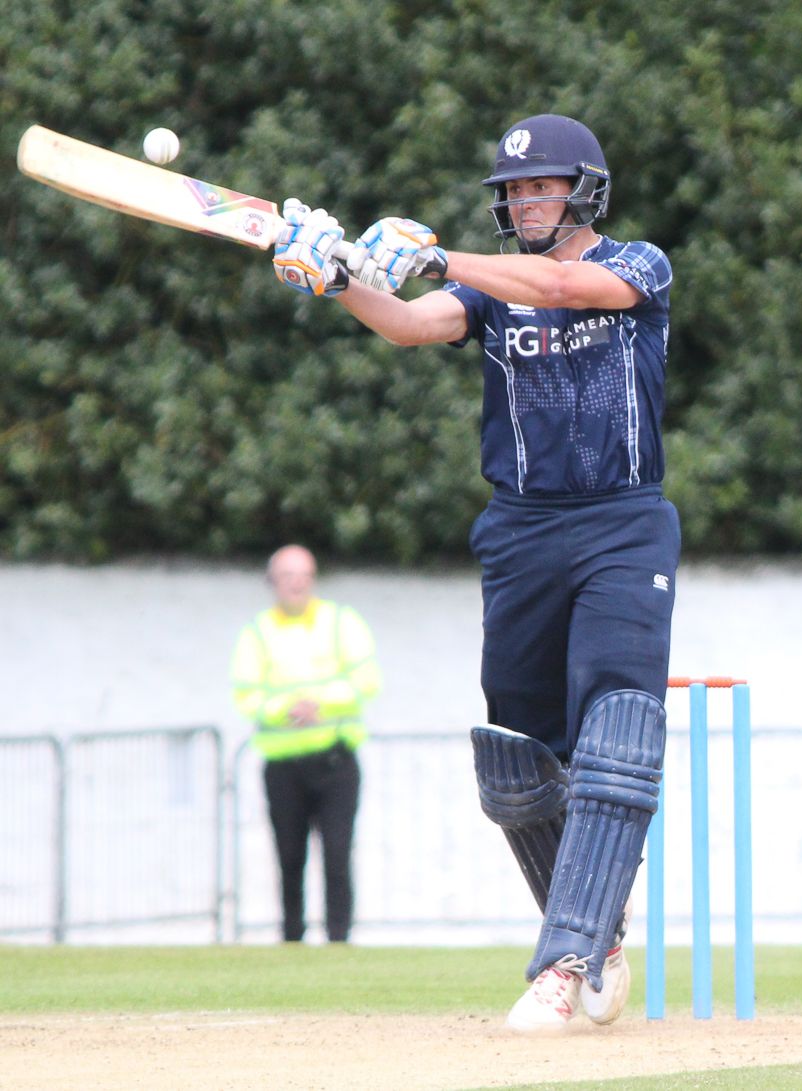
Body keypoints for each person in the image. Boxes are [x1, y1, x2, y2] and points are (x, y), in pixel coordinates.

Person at [271, 114, 680, 1030]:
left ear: (586, 191)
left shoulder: (640, 266)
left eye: (545, 186)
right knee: (516, 758)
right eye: (518, 190)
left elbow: (569, 285)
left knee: (618, 723)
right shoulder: (491, 292)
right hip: (521, 529)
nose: (529, 200)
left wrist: (437, 253)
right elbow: (414, 325)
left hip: (622, 521)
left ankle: (563, 963)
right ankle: (600, 931)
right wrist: (339, 280)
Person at [230, 545, 382, 943]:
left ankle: (338, 941)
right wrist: (286, 709)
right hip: (283, 766)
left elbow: (366, 681)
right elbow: (246, 694)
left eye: (304, 575)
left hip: (335, 762)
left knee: (337, 854)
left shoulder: (340, 623)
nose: (297, 583)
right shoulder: (257, 632)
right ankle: (291, 941)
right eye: (287, 576)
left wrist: (321, 704)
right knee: (289, 858)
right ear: (273, 582)